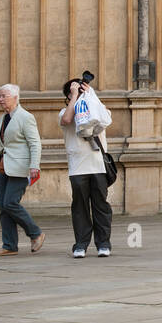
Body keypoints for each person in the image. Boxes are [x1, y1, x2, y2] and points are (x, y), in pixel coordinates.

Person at [59, 77, 113, 258]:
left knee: (101, 206)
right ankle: (81, 244)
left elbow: (105, 115)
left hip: (98, 165)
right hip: (78, 167)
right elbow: (67, 120)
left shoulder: (95, 108)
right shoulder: (65, 112)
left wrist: (90, 94)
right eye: (75, 92)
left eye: (82, 91)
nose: (81, 94)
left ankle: (103, 244)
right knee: (80, 207)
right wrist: (75, 95)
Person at [0, 84, 44, 257]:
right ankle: (9, 245)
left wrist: (34, 165)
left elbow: (34, 143)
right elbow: (6, 144)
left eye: (3, 96)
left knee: (10, 203)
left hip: (20, 168)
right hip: (4, 167)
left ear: (15, 97)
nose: (0, 99)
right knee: (3, 208)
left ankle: (35, 233)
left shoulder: (25, 117)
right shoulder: (4, 117)